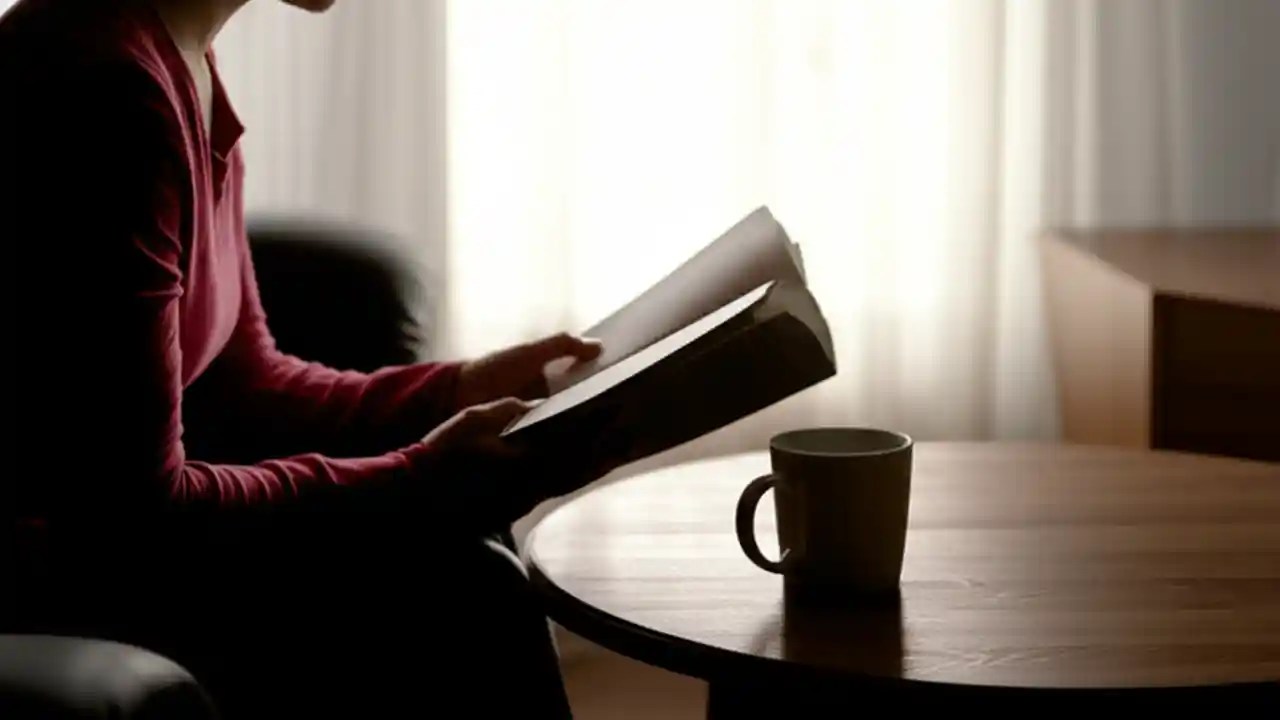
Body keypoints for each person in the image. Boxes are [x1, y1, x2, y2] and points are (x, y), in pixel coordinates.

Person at [0, 0, 618, 716]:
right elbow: (136, 516)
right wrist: (421, 478)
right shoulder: (100, 84)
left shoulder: (182, 59)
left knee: (464, 559)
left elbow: (249, 384)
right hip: (46, 571)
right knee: (466, 587)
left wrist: (451, 391)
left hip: (109, 547)